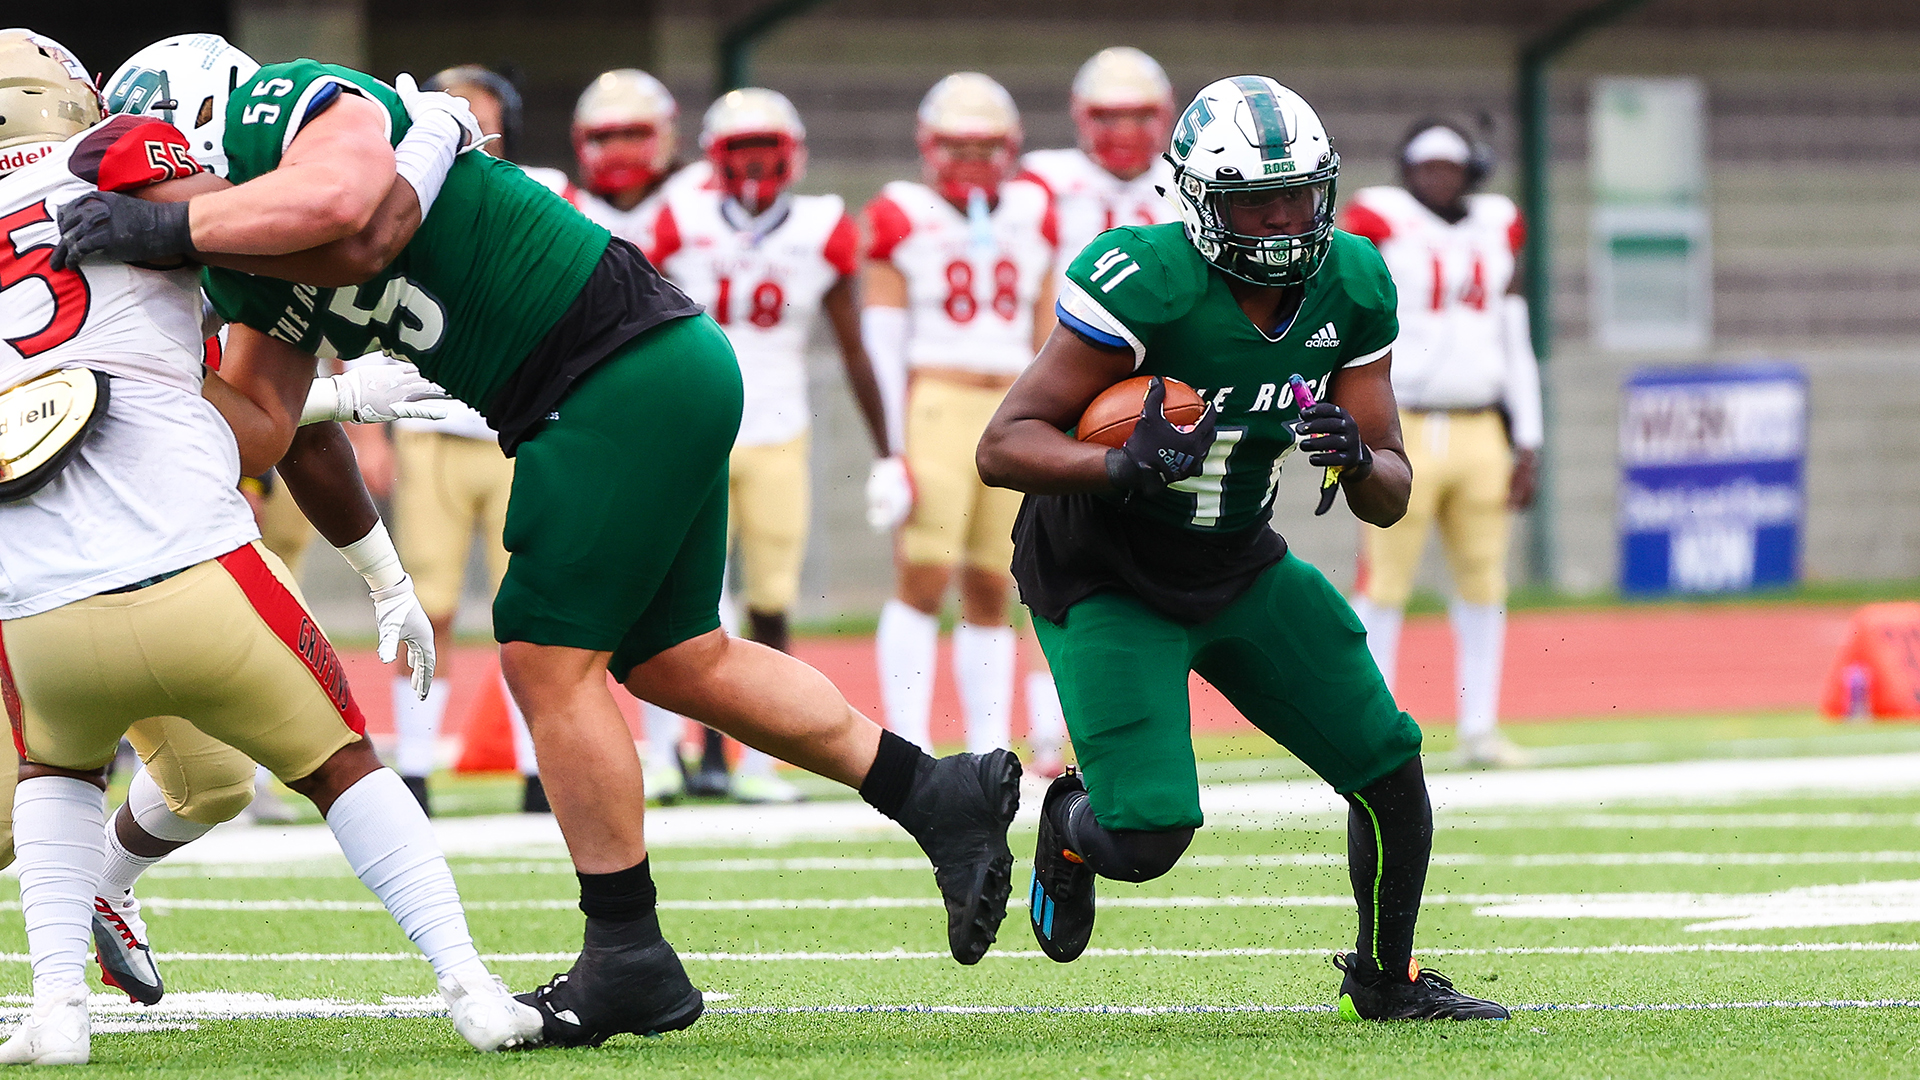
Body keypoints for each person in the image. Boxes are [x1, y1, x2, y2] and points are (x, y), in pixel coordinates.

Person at [70, 34, 1024, 1048]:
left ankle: (627, 955)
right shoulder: (241, 256)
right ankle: (939, 793)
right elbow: (264, 424)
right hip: (642, 369)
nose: (153, 200)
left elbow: (352, 215)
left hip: (607, 366)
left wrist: (166, 222)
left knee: (539, 647)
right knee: (676, 657)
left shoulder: (289, 103)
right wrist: (135, 398)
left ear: (201, 123)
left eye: (155, 173)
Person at [0, 29, 538, 1062]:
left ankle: (57, 1011)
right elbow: (292, 224)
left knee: (59, 780)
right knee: (344, 768)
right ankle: (469, 985)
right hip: (194, 570)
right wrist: (424, 144)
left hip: (37, 610)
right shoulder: (119, 152)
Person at [976, 75, 1509, 1021]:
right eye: (1253, 201)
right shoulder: (1146, 279)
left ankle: (1388, 981)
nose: (1280, 221)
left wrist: (1358, 460)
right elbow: (1003, 446)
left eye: (1298, 195)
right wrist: (1122, 467)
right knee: (1147, 837)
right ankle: (1067, 823)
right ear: (1197, 200)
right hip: (1107, 572)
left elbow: (1390, 494)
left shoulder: (1351, 281)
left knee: (1388, 766)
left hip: (1236, 558)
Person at [643, 88, 890, 804]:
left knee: (771, 601)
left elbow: (854, 346)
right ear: (716, 159)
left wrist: (890, 451)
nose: (754, 168)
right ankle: (674, 755)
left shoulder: (822, 226)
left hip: (779, 428)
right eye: (740, 152)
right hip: (694, 429)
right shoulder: (681, 216)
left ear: (793, 155)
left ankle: (753, 761)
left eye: (766, 151)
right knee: (684, 597)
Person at [357, 65, 545, 814]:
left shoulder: (542, 192)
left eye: (479, 115)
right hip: (426, 423)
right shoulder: (394, 197)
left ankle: (538, 771)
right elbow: (360, 300)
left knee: (528, 608)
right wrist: (368, 431)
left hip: (515, 428)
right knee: (422, 604)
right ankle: (416, 768)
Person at [862, 72, 1061, 762]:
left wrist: (1052, 420)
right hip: (938, 403)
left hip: (1008, 402)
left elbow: (1047, 332)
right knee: (923, 572)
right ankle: (909, 744)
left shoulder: (1034, 209)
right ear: (929, 146)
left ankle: (985, 750)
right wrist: (890, 448)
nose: (972, 162)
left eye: (985, 147)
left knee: (992, 582)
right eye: (958, 147)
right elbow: (882, 341)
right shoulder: (901, 210)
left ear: (1010, 147)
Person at [1339, 119, 1543, 768]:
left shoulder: (1496, 226)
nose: (1435, 178)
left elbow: (1514, 332)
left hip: (1482, 422)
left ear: (1472, 171)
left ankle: (1480, 726)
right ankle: (1369, 725)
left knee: (1486, 579)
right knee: (1384, 581)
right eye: (1424, 166)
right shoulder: (1383, 218)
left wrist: (1529, 437)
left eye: (1448, 166)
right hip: (1407, 424)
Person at [1016, 45, 1183, 776]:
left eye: (1137, 115)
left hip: (1159, 392)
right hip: (1073, 381)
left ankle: (1139, 725)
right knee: (1055, 564)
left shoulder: (1187, 185)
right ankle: (1052, 730)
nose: (1122, 131)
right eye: (1108, 116)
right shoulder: (1044, 183)